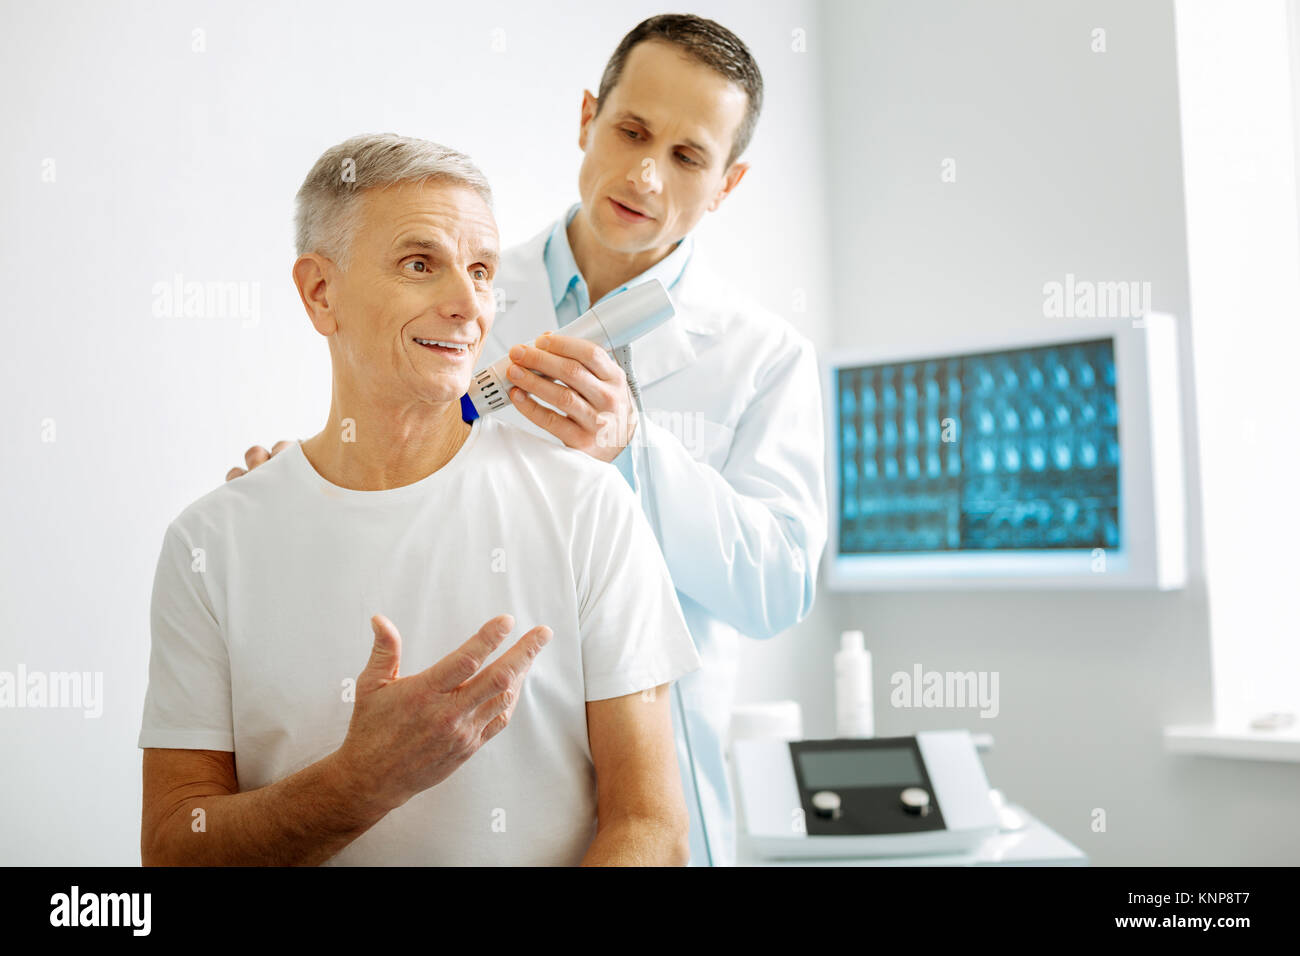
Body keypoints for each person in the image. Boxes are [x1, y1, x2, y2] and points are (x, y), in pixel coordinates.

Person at [229, 14, 827, 866]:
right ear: (587, 118)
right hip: (476, 770)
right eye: (630, 130)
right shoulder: (458, 293)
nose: (647, 175)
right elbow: (377, 463)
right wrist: (299, 490)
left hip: (656, 782)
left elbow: (778, 588)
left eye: (689, 157)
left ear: (726, 184)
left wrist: (634, 452)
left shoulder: (764, 358)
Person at [140, 133, 701, 866]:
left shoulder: (588, 507)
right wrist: (358, 784)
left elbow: (652, 830)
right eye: (419, 264)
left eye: (481, 270)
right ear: (320, 292)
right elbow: (173, 847)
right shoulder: (210, 543)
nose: (470, 304)